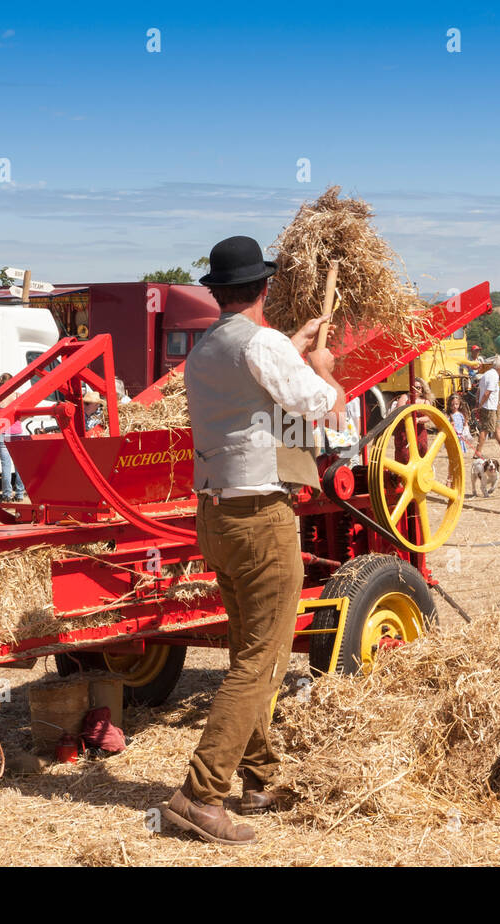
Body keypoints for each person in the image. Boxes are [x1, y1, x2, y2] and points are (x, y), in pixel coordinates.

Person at [163, 235, 344, 846]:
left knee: (249, 646)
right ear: (265, 287)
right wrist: (322, 364)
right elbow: (319, 404)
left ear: (218, 292)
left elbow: (252, 389)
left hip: (214, 513)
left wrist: (291, 347)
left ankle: (259, 777)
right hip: (263, 517)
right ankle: (198, 795)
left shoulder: (205, 348)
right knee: (259, 662)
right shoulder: (263, 344)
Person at [0, 372, 27, 502]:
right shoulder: (18, 396)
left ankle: (7, 494)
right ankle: (19, 493)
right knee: (20, 465)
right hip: (16, 432)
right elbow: (27, 413)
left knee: (5, 466)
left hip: (2, 432)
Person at [475, 355, 500, 458]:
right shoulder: (494, 376)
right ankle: (477, 453)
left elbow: (479, 391)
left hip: (493, 406)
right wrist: (480, 405)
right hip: (489, 407)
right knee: (485, 429)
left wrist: (479, 402)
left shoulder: (486, 374)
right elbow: (487, 393)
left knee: (497, 428)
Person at [447, 392, 474, 456]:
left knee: (459, 449)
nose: (454, 406)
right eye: (452, 404)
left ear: (459, 404)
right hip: (453, 435)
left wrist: (466, 432)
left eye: (456, 404)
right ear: (449, 405)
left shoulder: (461, 415)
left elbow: (465, 424)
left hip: (460, 435)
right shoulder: (449, 415)